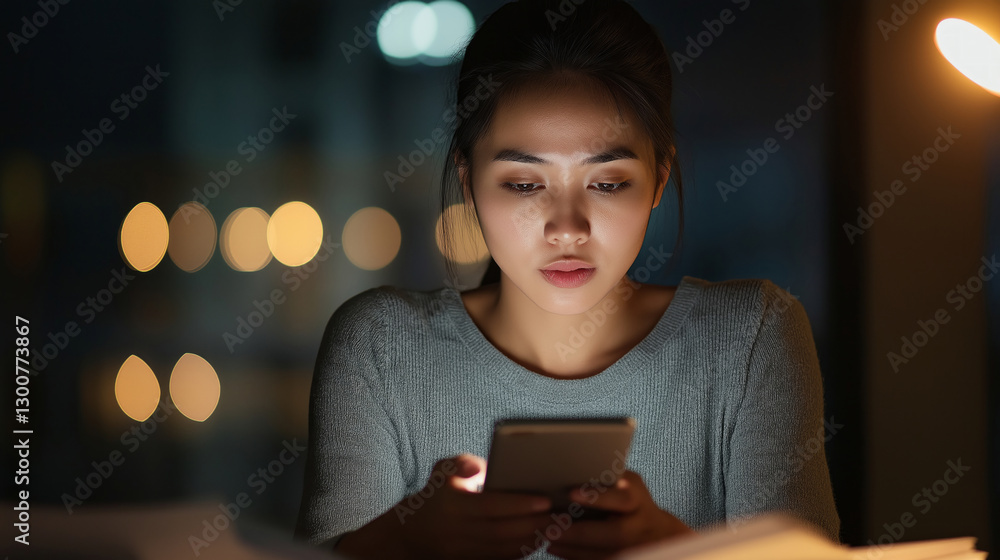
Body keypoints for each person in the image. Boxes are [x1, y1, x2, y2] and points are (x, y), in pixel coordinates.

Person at [294, 0, 841, 558]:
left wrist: (671, 547)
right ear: (468, 180)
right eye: (525, 185)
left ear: (658, 178)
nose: (567, 229)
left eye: (607, 183)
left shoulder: (750, 339)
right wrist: (404, 541)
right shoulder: (382, 348)